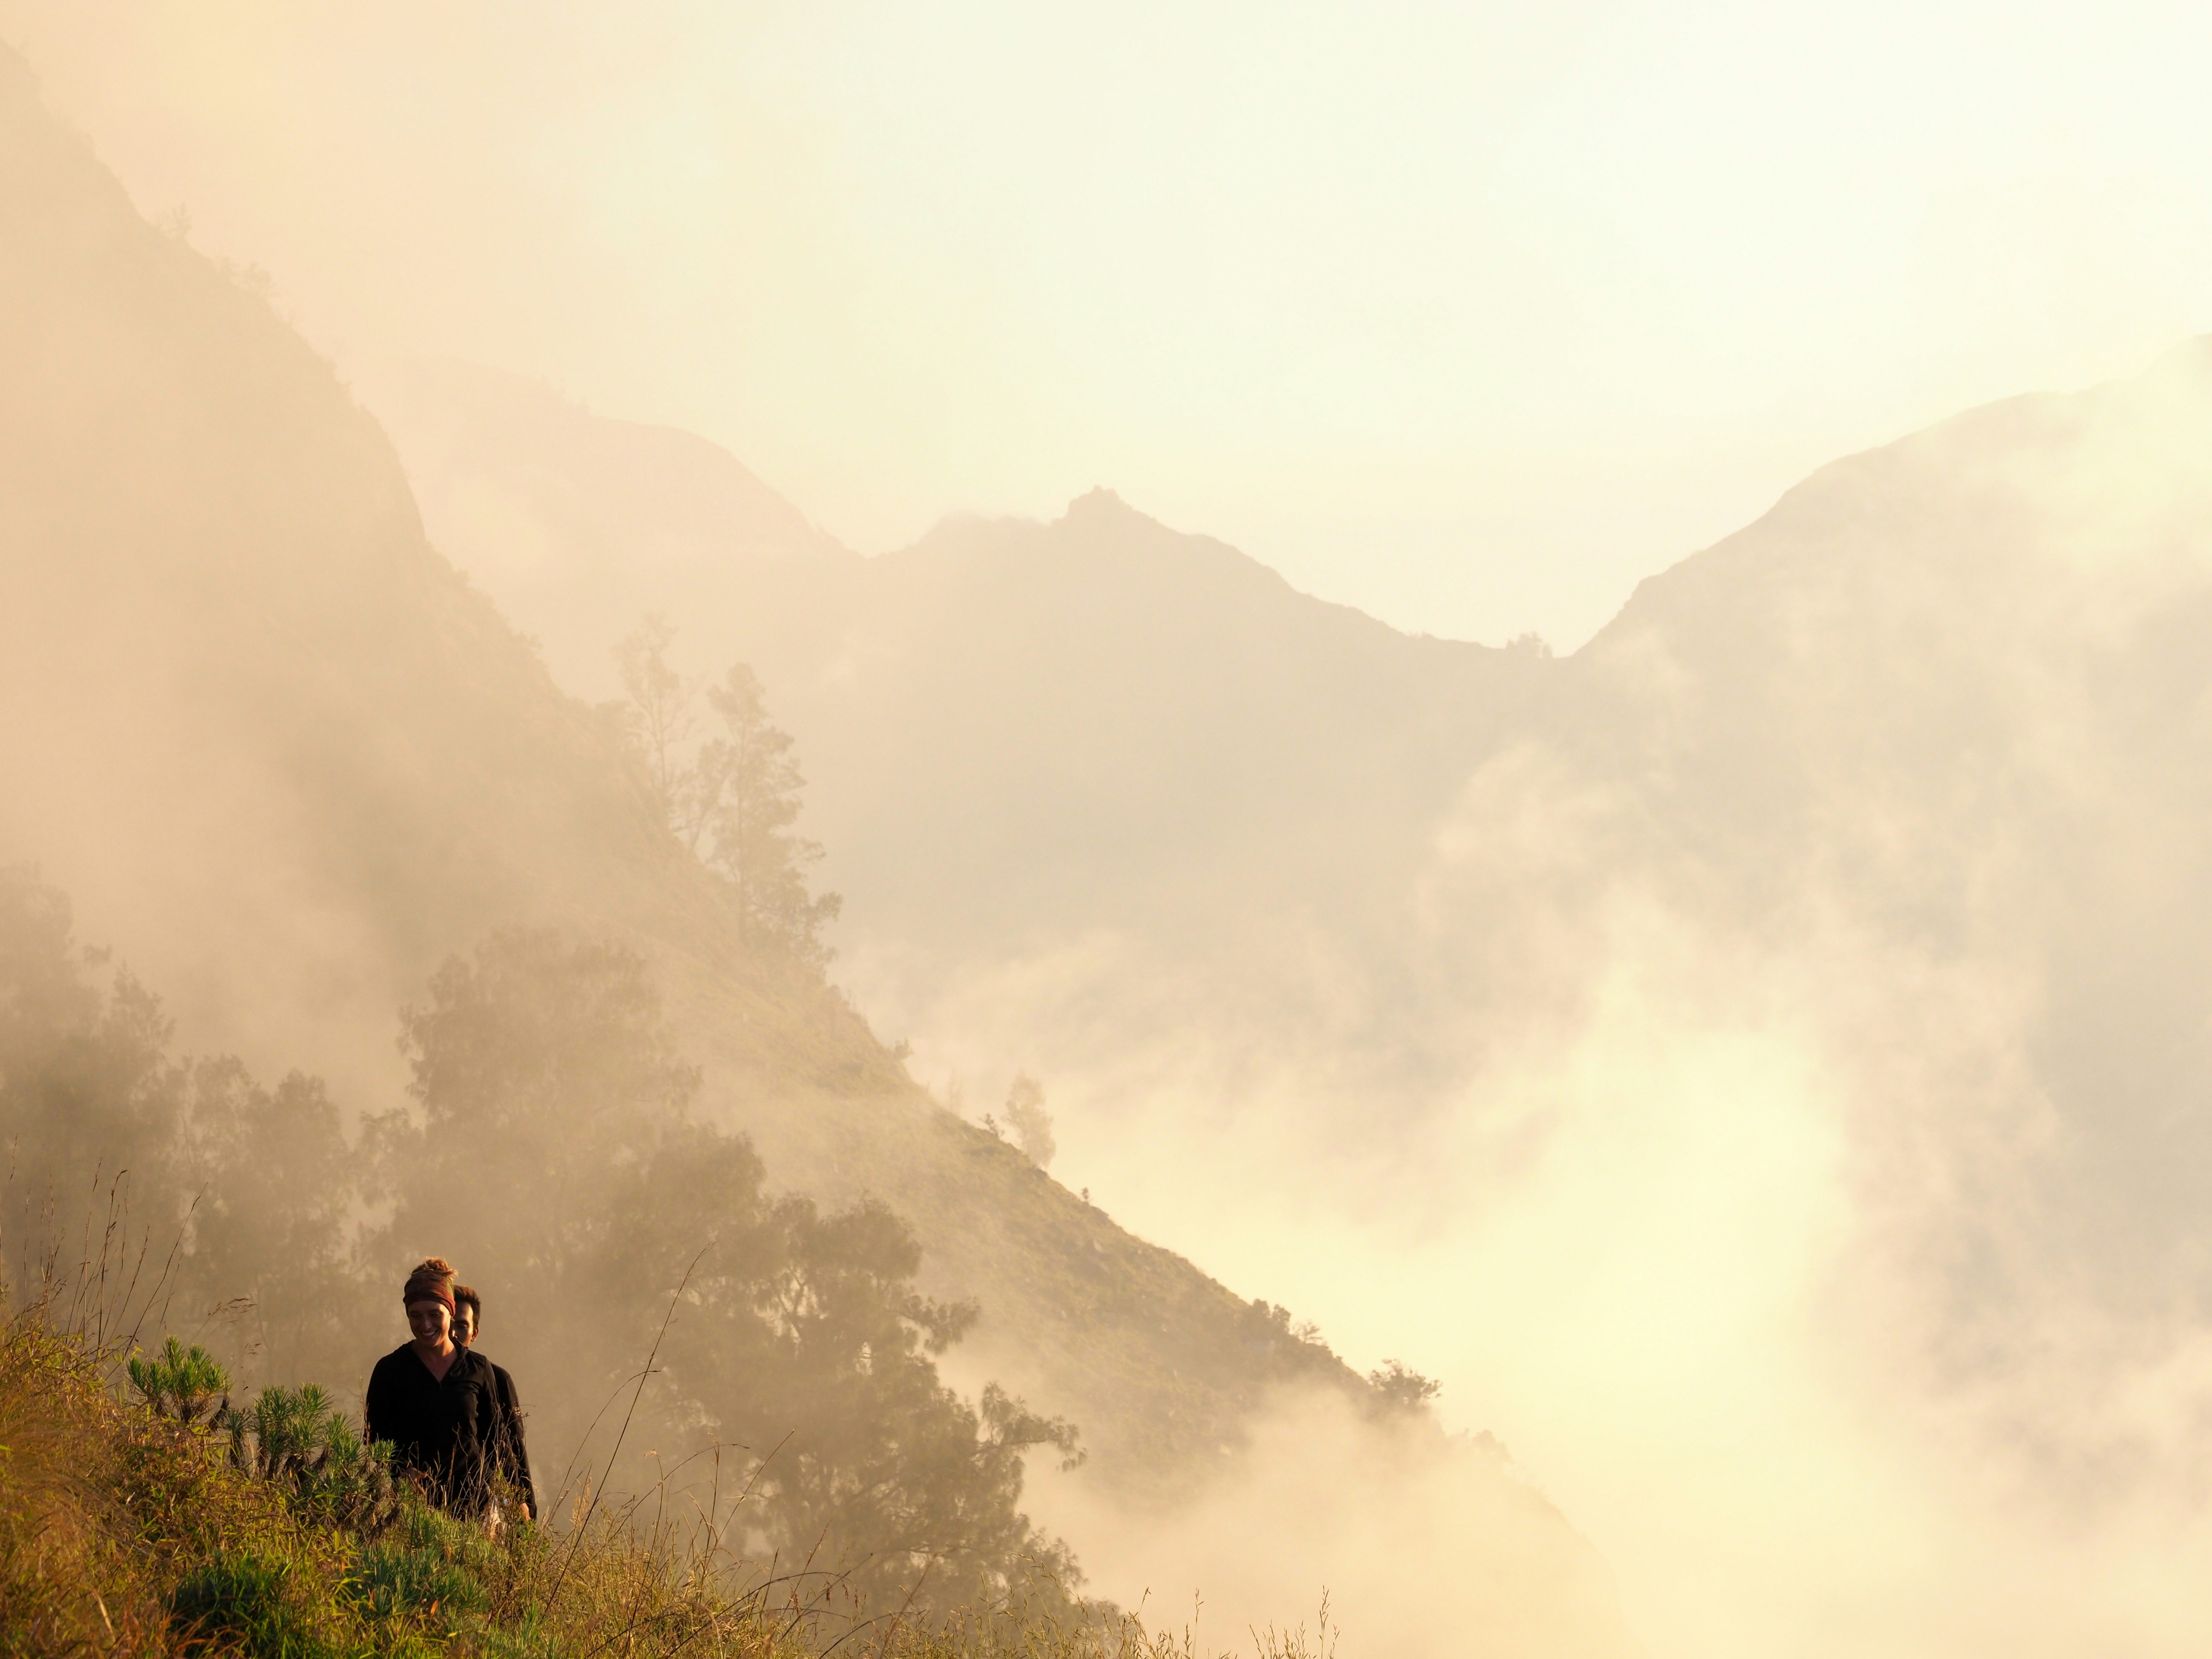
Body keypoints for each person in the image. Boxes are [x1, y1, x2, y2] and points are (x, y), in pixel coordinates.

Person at [364, 1257, 502, 1515]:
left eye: (434, 1315)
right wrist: (400, 1471)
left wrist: (505, 1500)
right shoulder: (390, 1370)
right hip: (411, 1511)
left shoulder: (479, 1368)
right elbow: (374, 1438)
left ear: (451, 1313)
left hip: (474, 1508)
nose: (425, 1325)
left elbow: (495, 1440)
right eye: (415, 1316)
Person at [452, 1283, 536, 1522]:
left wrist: (524, 1507)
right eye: (450, 1323)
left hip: (488, 1500)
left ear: (475, 1333)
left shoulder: (496, 1378)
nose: (454, 1333)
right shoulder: (415, 1375)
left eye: (463, 1325)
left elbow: (513, 1448)